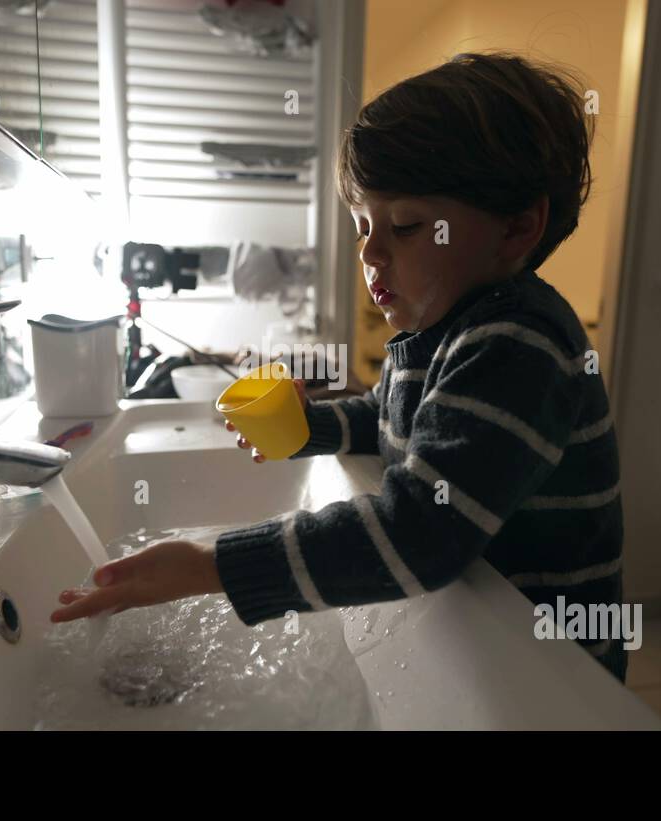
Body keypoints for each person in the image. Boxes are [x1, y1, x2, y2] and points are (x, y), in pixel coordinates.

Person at [51, 51, 626, 681]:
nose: (371, 253)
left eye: (405, 225)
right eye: (362, 227)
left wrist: (209, 564)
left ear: (515, 229)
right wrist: (308, 428)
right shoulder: (440, 330)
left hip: (550, 672)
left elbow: (423, 533)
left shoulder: (518, 344)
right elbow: (389, 417)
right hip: (490, 642)